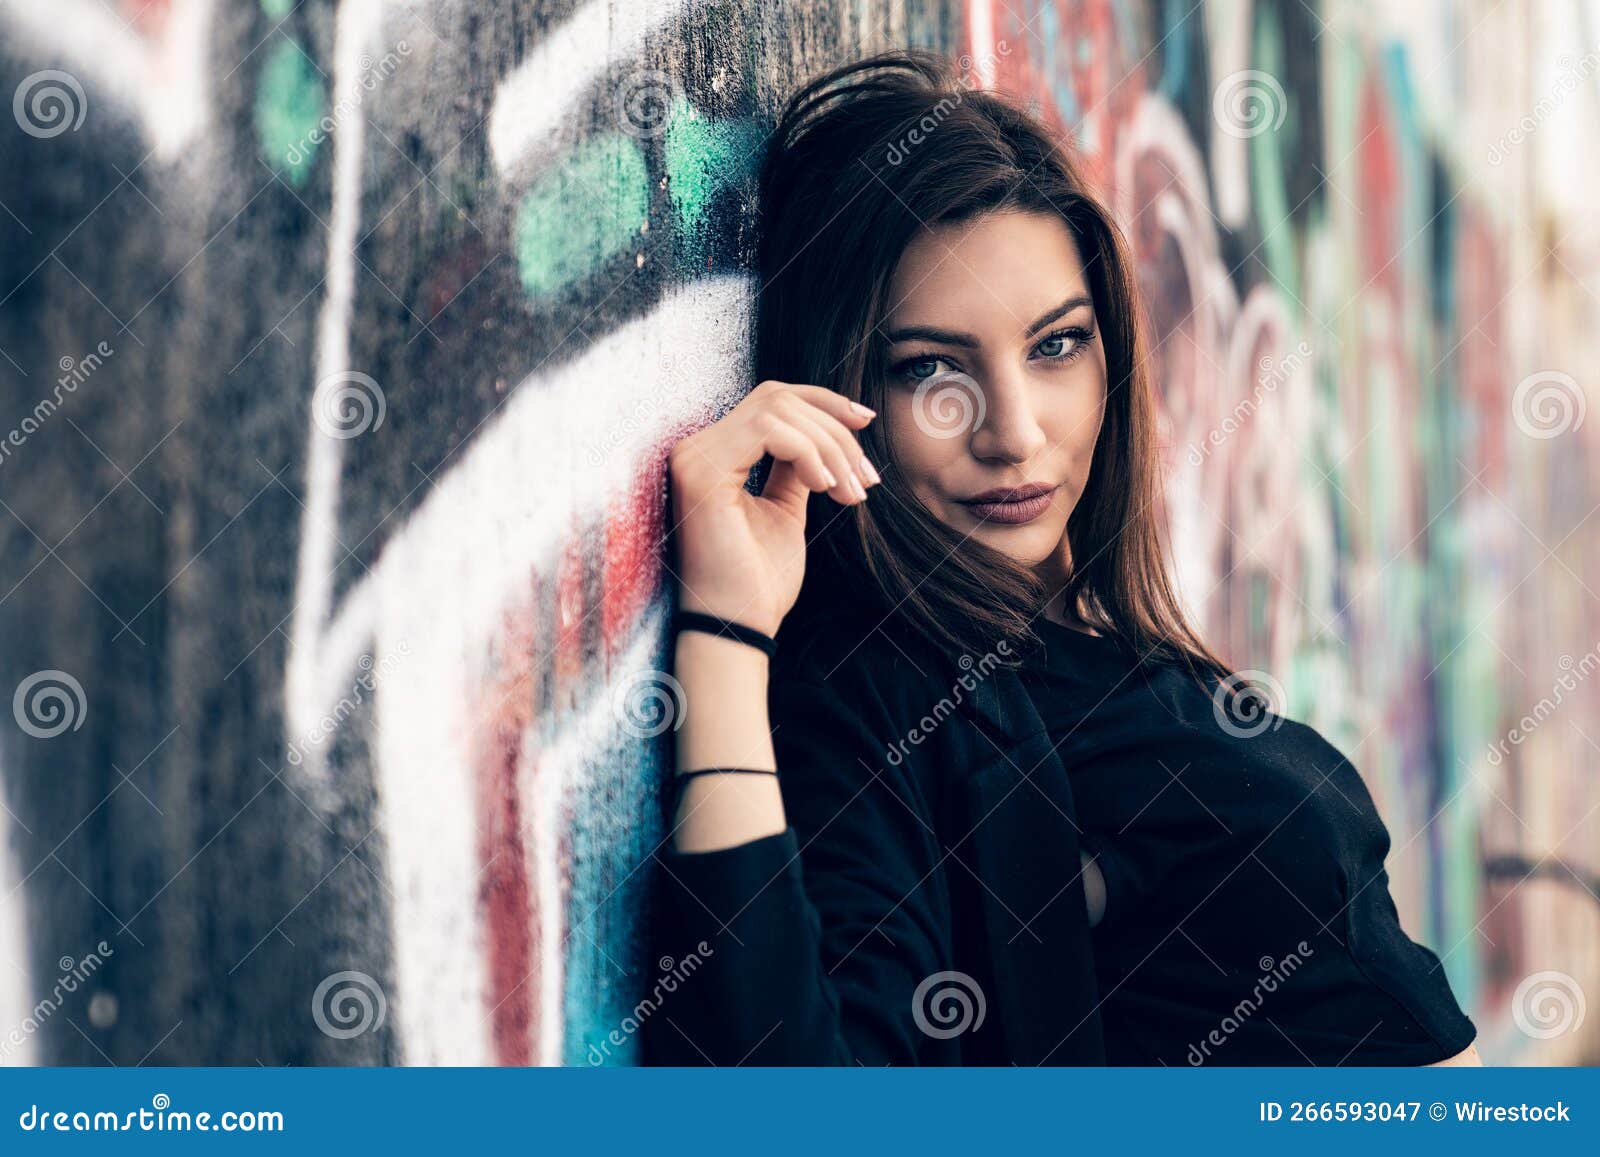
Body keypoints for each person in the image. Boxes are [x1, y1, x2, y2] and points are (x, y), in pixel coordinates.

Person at [643, 47, 1482, 1067]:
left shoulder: (1089, 643)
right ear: (836, 388)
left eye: (1054, 346)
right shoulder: (880, 699)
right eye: (929, 369)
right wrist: (726, 632)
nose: (1015, 432)